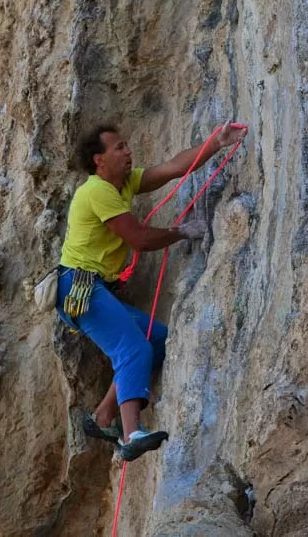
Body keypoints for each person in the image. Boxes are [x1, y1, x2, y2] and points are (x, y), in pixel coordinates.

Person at [56, 122, 247, 461]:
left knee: (158, 341)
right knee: (133, 349)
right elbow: (140, 239)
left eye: (127, 144)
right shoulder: (97, 191)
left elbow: (174, 167)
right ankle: (132, 435)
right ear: (99, 160)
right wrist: (181, 232)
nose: (128, 151)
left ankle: (103, 416)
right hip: (79, 286)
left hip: (93, 288)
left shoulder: (124, 184)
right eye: (119, 148)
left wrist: (216, 142)